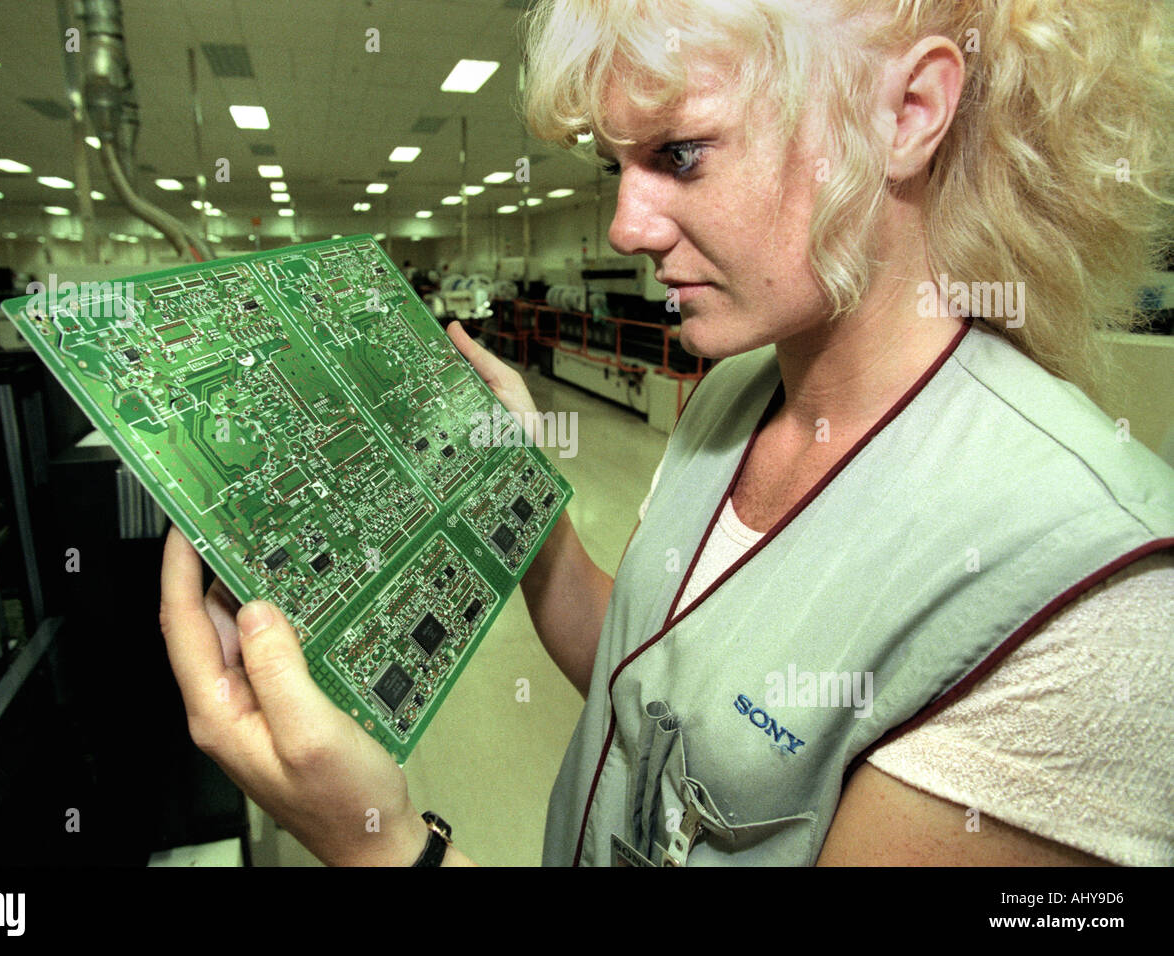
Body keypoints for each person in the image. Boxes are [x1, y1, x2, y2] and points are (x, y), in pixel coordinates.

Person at [159, 0, 1174, 866]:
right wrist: (523, 504)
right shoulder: (733, 395)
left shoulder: (1089, 606)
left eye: (679, 154)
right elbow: (654, 669)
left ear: (905, 112)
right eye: (615, 166)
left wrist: (382, 844)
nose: (625, 227)